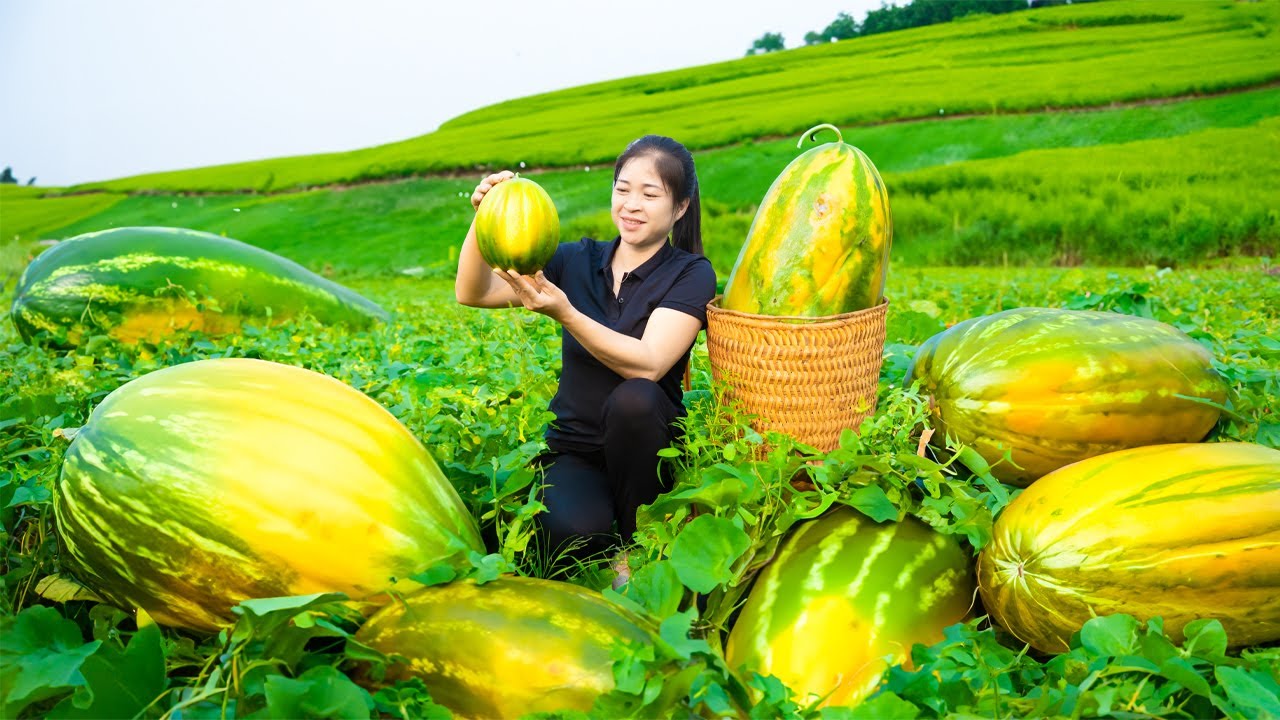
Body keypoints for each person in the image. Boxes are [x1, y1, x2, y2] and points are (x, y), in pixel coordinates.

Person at [455, 135, 717, 581]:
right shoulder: (575, 260)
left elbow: (649, 363)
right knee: (569, 534)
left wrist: (567, 314)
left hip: (645, 449)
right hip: (575, 449)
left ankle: (638, 541)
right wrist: (486, 216)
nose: (631, 205)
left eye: (650, 194)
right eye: (623, 189)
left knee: (636, 397)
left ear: (680, 208)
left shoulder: (690, 273)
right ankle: (599, 524)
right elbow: (473, 292)